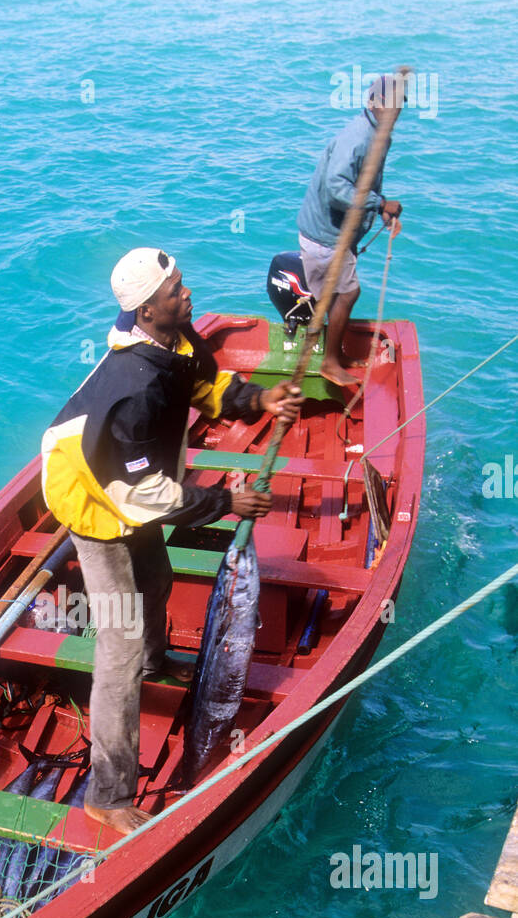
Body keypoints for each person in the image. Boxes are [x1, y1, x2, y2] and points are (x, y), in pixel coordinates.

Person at [41, 248, 301, 833]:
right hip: (93, 503)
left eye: (181, 283)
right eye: (175, 290)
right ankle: (106, 793)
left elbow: (209, 386)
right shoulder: (133, 390)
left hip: (130, 485)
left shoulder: (177, 338)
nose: (186, 294)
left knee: (156, 579)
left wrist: (262, 399)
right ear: (146, 309)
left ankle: (159, 662)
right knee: (120, 644)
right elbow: (144, 500)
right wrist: (226, 503)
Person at [297, 74, 406, 387]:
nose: (396, 111)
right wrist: (380, 203)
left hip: (336, 232)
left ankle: (337, 353)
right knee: (348, 292)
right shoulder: (358, 137)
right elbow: (335, 188)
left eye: (400, 105)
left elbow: (363, 182)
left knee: (340, 294)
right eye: (390, 104)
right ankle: (330, 362)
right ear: (374, 103)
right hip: (325, 235)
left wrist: (378, 209)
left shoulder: (378, 134)